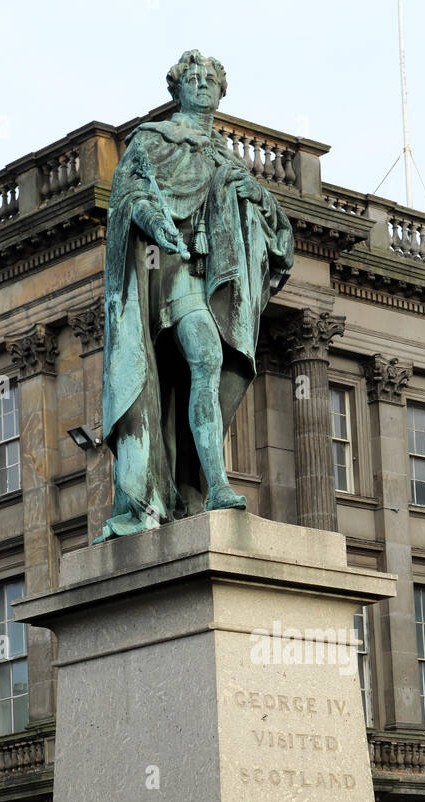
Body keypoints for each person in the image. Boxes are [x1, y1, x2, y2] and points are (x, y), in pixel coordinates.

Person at [99, 48, 295, 537]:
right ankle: (217, 486)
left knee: (207, 370)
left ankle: (198, 486)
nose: (202, 83)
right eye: (192, 77)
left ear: (221, 90)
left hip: (216, 277)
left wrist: (256, 196)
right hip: (172, 268)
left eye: (209, 78)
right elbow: (128, 198)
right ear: (177, 89)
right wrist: (156, 225)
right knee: (207, 357)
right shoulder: (153, 140)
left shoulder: (226, 158)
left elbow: (278, 234)